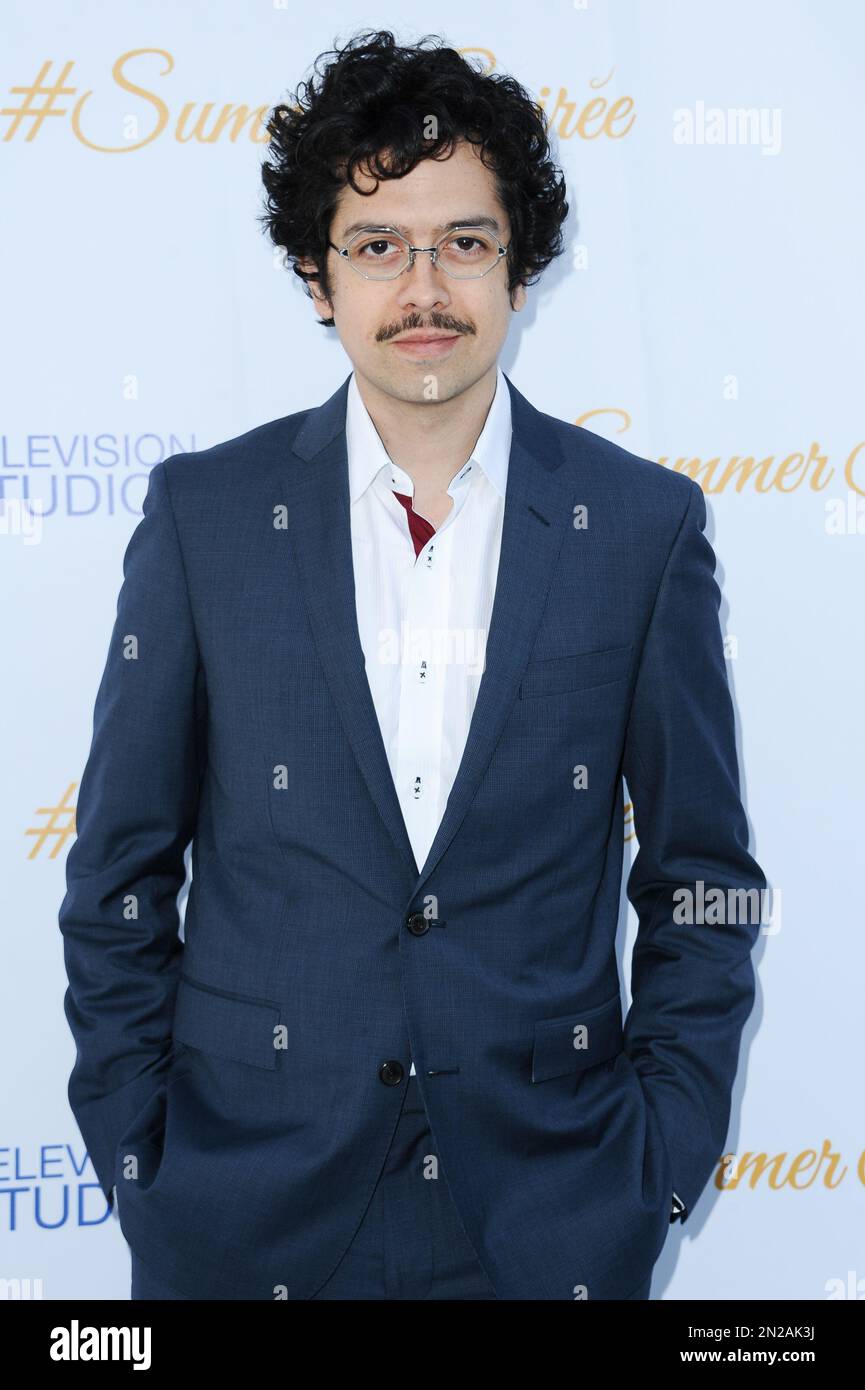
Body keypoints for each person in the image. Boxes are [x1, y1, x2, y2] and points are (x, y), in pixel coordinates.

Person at [59, 29, 765, 1301]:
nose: (422, 285)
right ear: (316, 274)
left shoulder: (643, 530)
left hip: (548, 1220)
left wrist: (657, 1161)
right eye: (378, 245)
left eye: (464, 242)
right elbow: (117, 873)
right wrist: (142, 1162)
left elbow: (701, 882)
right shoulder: (203, 519)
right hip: (243, 1215)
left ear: (519, 265)